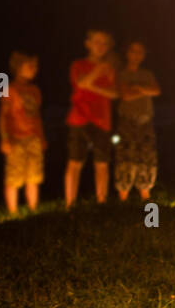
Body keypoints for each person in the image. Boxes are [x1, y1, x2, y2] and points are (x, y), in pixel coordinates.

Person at [65, 29, 117, 207]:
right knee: (75, 162)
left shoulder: (109, 69)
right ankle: (70, 204)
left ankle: (101, 201)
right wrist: (97, 71)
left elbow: (114, 93)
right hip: (79, 118)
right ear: (88, 44)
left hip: (102, 120)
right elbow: (80, 83)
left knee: (102, 163)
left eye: (104, 43)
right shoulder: (78, 65)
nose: (101, 46)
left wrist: (92, 86)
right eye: (97, 42)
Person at [114, 41, 161, 202]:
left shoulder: (147, 74)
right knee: (126, 157)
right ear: (127, 53)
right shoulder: (121, 73)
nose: (136, 55)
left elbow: (156, 90)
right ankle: (123, 198)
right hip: (127, 120)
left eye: (140, 52)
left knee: (147, 157)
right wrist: (144, 89)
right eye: (133, 51)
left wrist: (136, 87)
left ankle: (145, 197)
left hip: (146, 120)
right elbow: (125, 95)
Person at [0, 51, 46, 213]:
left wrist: (42, 137)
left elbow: (37, 115)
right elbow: (3, 114)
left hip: (33, 138)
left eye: (36, 66)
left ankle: (32, 209)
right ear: (18, 67)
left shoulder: (35, 90)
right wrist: (4, 138)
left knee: (34, 176)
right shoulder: (6, 86)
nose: (34, 69)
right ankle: (12, 212)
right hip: (15, 139)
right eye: (30, 65)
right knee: (13, 177)